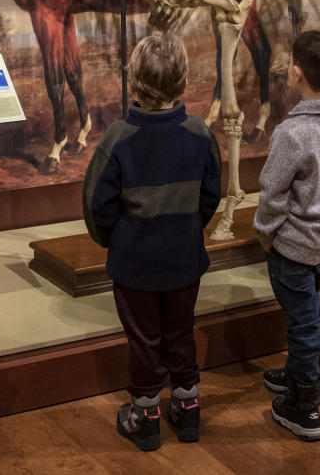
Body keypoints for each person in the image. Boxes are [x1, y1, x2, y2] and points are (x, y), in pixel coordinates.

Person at [82, 32, 222, 451]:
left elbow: (96, 204)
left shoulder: (118, 137)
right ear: (184, 83)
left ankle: (144, 419)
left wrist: (119, 241)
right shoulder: (200, 133)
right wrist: (185, 230)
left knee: (144, 340)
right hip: (183, 262)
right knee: (180, 331)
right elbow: (210, 196)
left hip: (135, 266)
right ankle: (187, 407)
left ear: (133, 83)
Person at [255, 30, 320, 442]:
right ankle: (309, 374)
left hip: (294, 248)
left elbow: (272, 194)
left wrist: (267, 235)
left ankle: (304, 406)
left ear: (296, 73)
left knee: (304, 322)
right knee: (308, 313)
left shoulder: (291, 133)